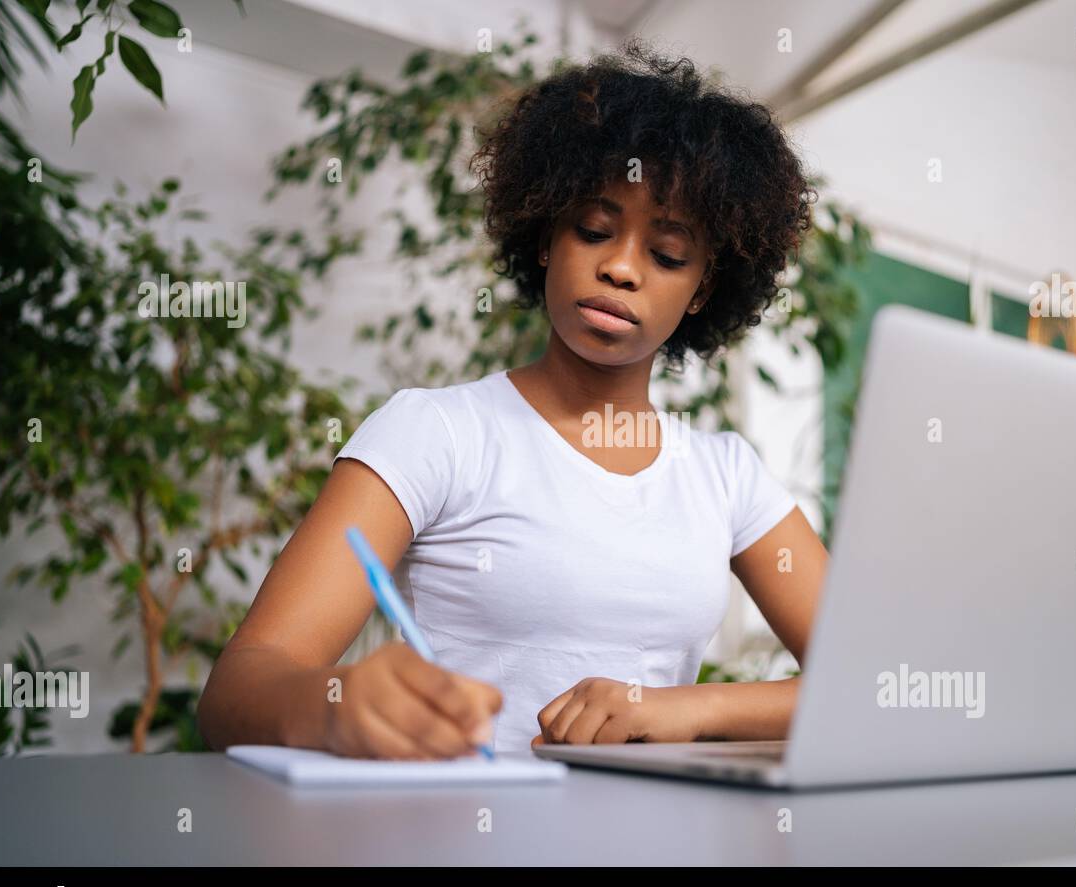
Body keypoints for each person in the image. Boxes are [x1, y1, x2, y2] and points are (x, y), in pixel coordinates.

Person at [197, 38, 828, 758]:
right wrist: (334, 703)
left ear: (703, 290)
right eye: (593, 229)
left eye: (667, 254)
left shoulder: (725, 475)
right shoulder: (434, 433)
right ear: (543, 239)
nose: (621, 267)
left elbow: (869, 685)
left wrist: (688, 709)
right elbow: (234, 695)